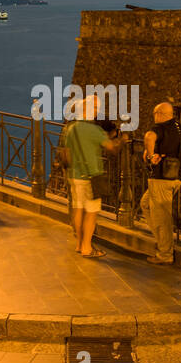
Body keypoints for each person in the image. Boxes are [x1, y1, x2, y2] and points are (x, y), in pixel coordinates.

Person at [63, 93, 126, 258]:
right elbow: (111, 148)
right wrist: (122, 140)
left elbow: (67, 153)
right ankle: (87, 248)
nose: (97, 111)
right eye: (96, 108)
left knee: (77, 210)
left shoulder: (71, 128)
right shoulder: (95, 130)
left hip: (74, 175)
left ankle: (78, 244)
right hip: (91, 176)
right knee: (91, 213)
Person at [141, 101, 181, 264]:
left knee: (162, 219)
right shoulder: (178, 128)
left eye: (155, 114)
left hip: (161, 179)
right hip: (175, 177)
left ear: (161, 114)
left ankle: (164, 254)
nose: (154, 117)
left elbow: (149, 136)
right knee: (144, 204)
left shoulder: (160, 128)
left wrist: (151, 155)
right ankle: (162, 241)